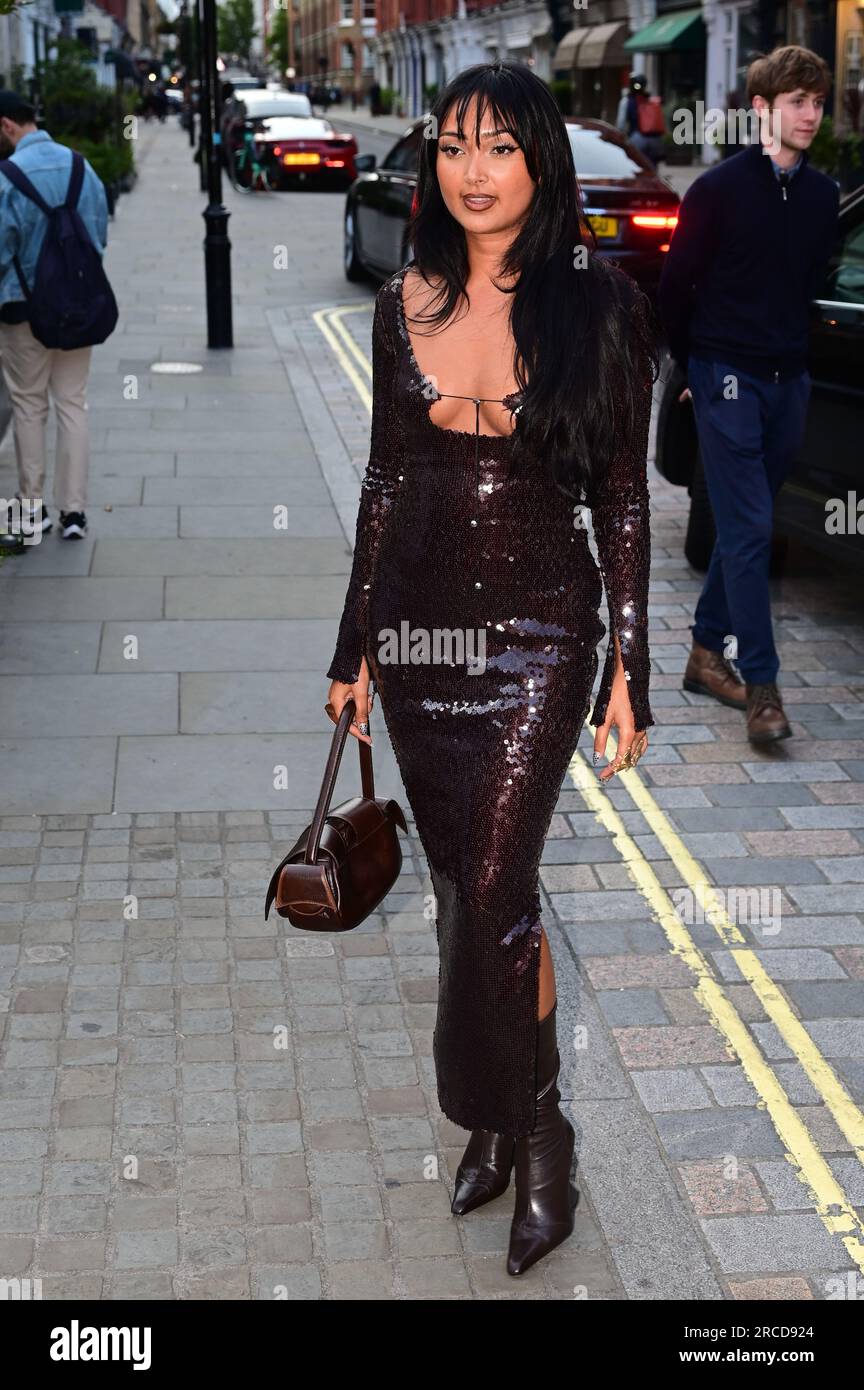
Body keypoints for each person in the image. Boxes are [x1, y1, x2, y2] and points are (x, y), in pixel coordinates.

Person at [324, 62, 657, 1276]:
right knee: (465, 888)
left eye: (499, 148)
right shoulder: (399, 296)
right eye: (453, 146)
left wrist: (632, 660)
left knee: (503, 878)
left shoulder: (604, 311)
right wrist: (353, 647)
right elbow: (380, 483)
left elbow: (622, 496)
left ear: (539, 168)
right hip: (418, 639)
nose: (471, 171)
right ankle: (509, 1115)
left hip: (538, 637)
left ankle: (540, 1131)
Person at [657, 46, 840, 744]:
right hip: (725, 377)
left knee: (744, 529)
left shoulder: (823, 197)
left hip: (787, 383)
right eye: (798, 101)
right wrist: (694, 373)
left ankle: (706, 652)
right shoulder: (716, 191)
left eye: (818, 102)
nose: (811, 115)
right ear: (761, 109)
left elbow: (809, 283)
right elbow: (676, 289)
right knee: (753, 532)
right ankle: (762, 688)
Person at [0, 91, 108, 542]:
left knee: (28, 405)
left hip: (22, 309)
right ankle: (75, 513)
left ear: (7, 125)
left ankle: (31, 512)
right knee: (72, 403)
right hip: (77, 308)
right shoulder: (82, 168)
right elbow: (98, 236)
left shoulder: (7, 177)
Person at [621, 73, 665, 169]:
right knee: (653, 167)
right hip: (655, 140)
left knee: (635, 167)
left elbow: (621, 124)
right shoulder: (651, 100)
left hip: (636, 138)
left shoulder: (627, 101)